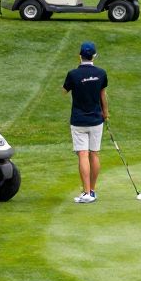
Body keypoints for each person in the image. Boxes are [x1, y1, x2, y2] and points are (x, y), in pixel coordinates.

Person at [63, 41, 108, 204]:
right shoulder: (101, 73)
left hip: (79, 120)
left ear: (79, 55)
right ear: (94, 56)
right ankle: (92, 191)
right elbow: (103, 95)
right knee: (94, 153)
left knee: (83, 154)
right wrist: (106, 113)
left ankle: (87, 192)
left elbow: (63, 91)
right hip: (97, 119)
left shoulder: (73, 74)